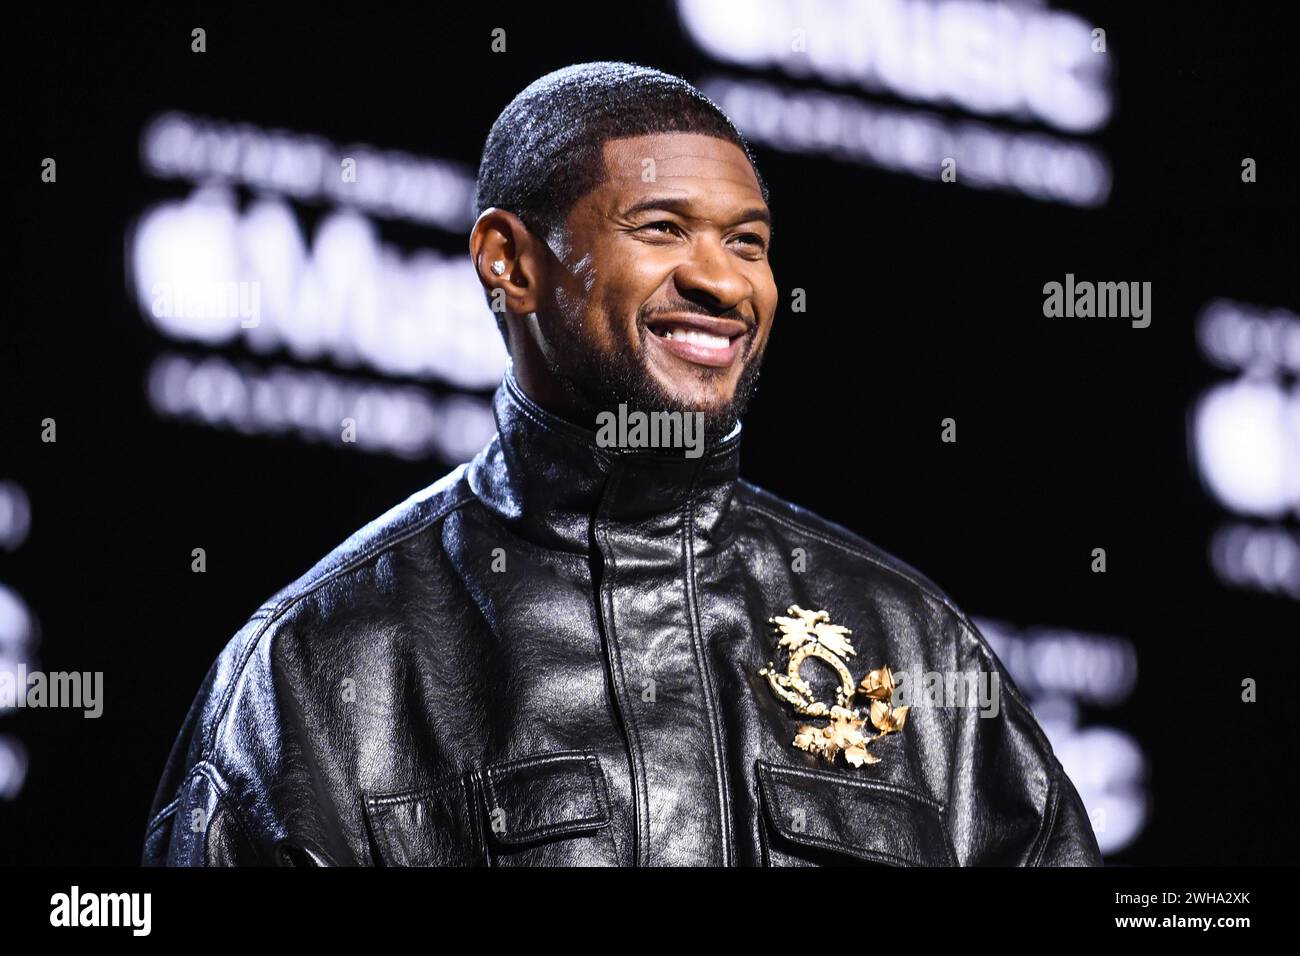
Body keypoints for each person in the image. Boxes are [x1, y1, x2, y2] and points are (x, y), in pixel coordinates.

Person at [143, 61, 1102, 866]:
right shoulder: (319, 665)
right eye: (662, 228)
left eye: (748, 242)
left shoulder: (914, 639)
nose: (723, 281)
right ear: (509, 261)